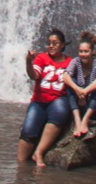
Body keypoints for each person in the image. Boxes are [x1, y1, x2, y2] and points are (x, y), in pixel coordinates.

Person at [17, 28, 74, 168]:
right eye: (49, 43)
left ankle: (39, 153)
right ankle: (21, 166)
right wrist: (28, 62)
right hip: (39, 101)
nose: (51, 45)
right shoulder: (42, 58)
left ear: (62, 44)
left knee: (60, 111)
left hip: (58, 99)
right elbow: (34, 76)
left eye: (55, 43)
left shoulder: (70, 62)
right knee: (28, 130)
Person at [65, 29, 96, 138]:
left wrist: (84, 91)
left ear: (92, 51)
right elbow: (64, 76)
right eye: (81, 51)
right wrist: (77, 89)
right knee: (70, 82)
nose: (83, 54)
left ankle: (85, 121)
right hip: (80, 105)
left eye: (86, 51)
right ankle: (77, 121)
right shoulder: (75, 61)